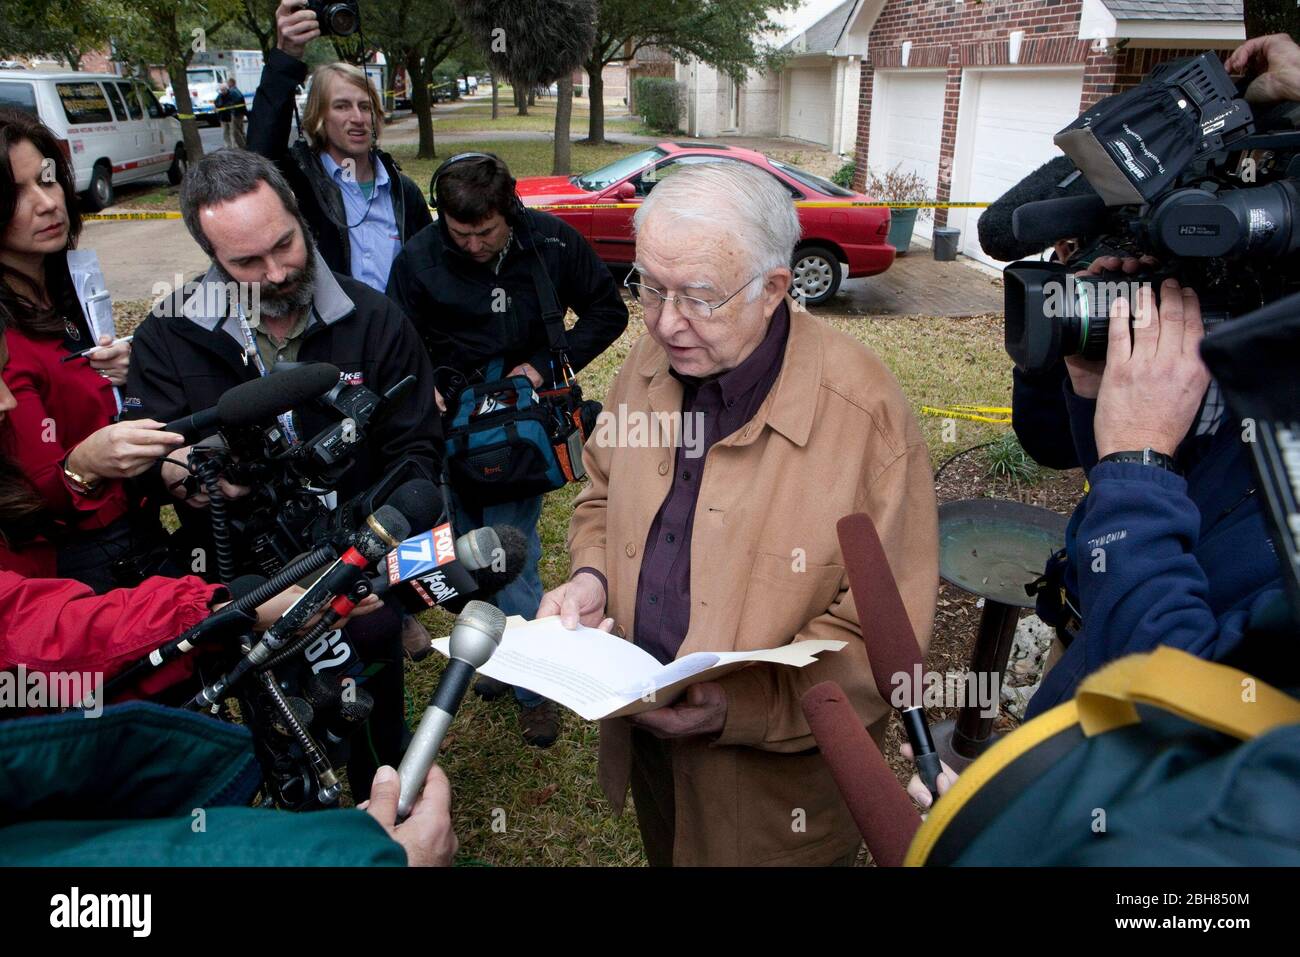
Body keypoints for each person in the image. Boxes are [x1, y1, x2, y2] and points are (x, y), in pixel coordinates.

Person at [536, 161, 938, 866]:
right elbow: (599, 490)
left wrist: (736, 708)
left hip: (777, 803)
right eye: (650, 288)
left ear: (773, 289)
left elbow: (884, 643)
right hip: (653, 753)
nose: (663, 322)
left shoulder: (867, 418)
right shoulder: (650, 364)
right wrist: (593, 575)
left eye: (696, 296)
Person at [123, 148, 441, 799]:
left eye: (285, 245)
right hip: (243, 591)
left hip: (360, 585)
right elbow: (154, 456)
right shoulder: (169, 333)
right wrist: (204, 477)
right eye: (246, 262)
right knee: (276, 742)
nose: (275, 271)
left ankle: (384, 824)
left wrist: (369, 552)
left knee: (374, 733)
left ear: (299, 214)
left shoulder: (373, 319)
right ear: (210, 255)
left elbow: (418, 448)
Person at [386, 151, 628, 747]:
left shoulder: (551, 243)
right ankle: (493, 657)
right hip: (448, 425)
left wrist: (550, 362)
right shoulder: (420, 255)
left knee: (511, 553)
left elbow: (608, 310)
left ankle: (532, 689)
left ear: (511, 212)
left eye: (486, 233)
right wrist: (429, 381)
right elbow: (396, 331)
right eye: (459, 233)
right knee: (459, 554)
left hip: (523, 427)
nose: (471, 245)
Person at [0, 107, 184, 591]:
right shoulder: (6, 335)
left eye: (47, 179)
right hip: (79, 565)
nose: (47, 203)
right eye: (17, 193)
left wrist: (126, 378)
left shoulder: (69, 288)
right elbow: (28, 496)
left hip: (140, 528)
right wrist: (81, 468)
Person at [246, 0, 431, 293]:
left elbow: (429, 272)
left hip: (395, 333)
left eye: (365, 107)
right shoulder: (299, 185)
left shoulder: (404, 193)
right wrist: (285, 57)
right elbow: (258, 153)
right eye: (342, 106)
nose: (357, 118)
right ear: (318, 117)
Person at [216, 76, 248, 150]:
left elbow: (238, 100)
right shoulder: (223, 95)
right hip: (227, 116)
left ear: (231, 83)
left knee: (235, 131)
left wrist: (231, 106)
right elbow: (217, 103)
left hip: (235, 114)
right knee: (235, 131)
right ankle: (241, 145)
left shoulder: (233, 91)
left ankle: (242, 146)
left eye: (228, 83)